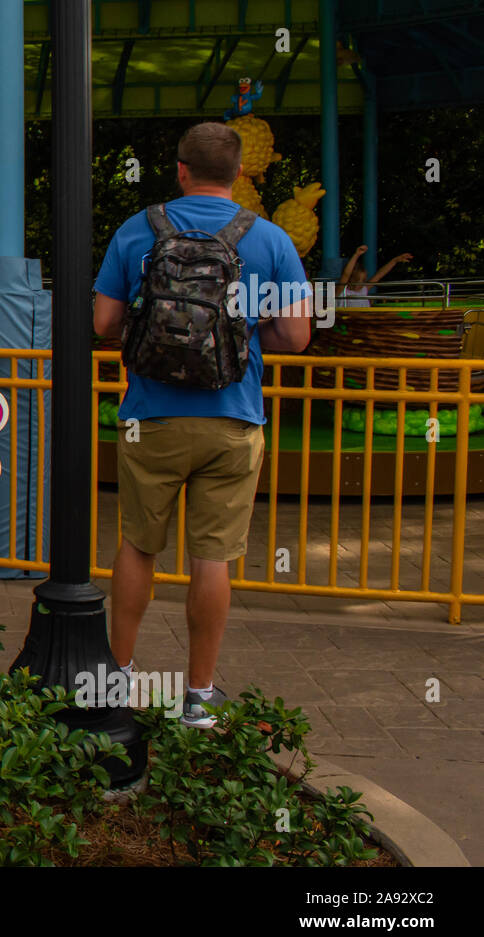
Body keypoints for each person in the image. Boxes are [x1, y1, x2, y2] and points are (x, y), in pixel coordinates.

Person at [92, 122, 313, 728]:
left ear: (181, 170)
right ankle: (198, 695)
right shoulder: (267, 239)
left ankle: (119, 678)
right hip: (233, 419)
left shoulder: (139, 230)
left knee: (138, 545)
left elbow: (103, 321)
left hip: (149, 419)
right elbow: (296, 335)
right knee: (211, 556)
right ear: (239, 173)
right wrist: (243, 335)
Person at [338, 245, 413, 307]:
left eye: (363, 280)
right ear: (350, 280)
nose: (361, 283)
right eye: (357, 280)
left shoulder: (363, 289)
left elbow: (379, 275)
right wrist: (356, 255)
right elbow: (346, 274)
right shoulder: (342, 291)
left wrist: (395, 261)